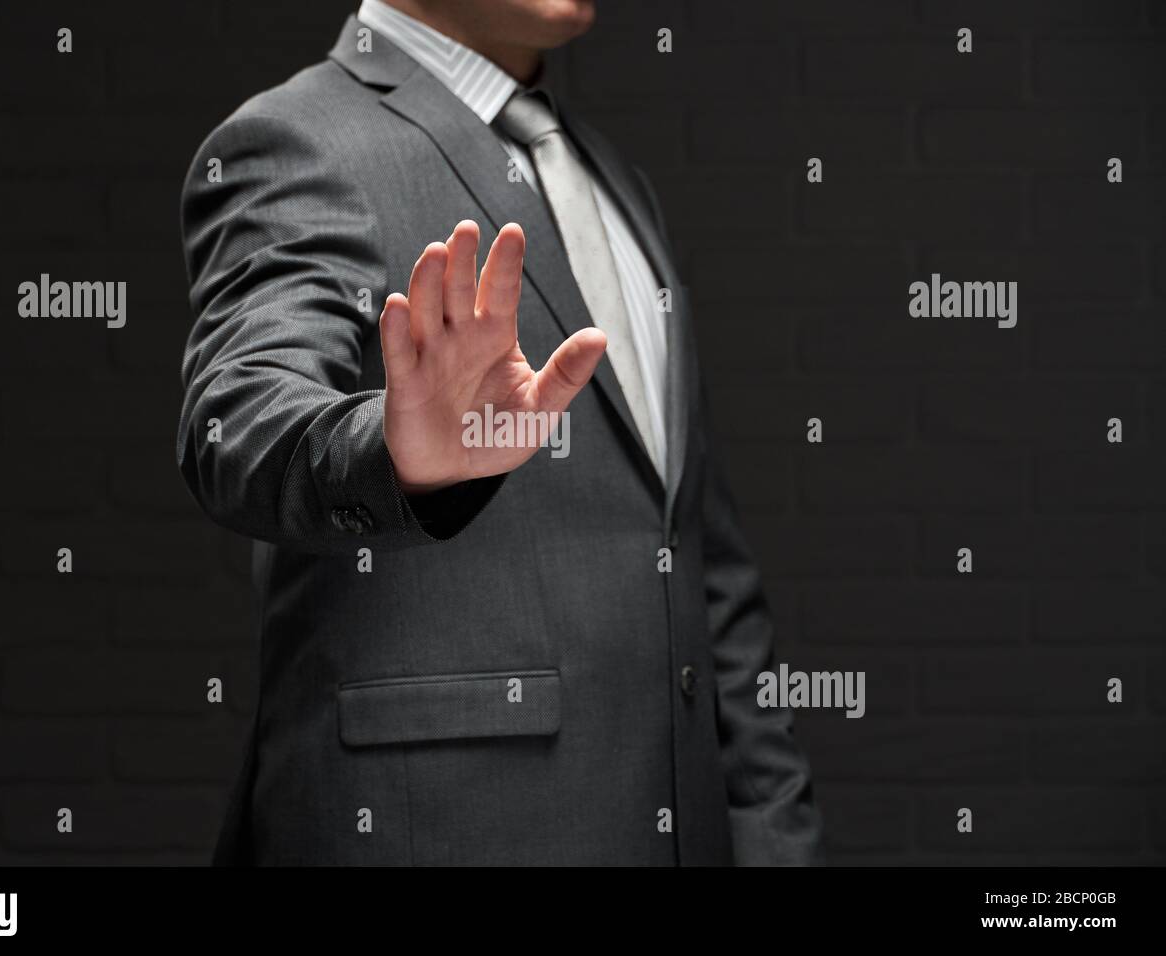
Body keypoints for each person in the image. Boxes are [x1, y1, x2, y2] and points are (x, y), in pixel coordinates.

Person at [176, 0, 824, 865]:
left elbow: (695, 551)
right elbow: (240, 419)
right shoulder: (295, 140)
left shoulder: (611, 179)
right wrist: (397, 453)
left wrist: (774, 831)